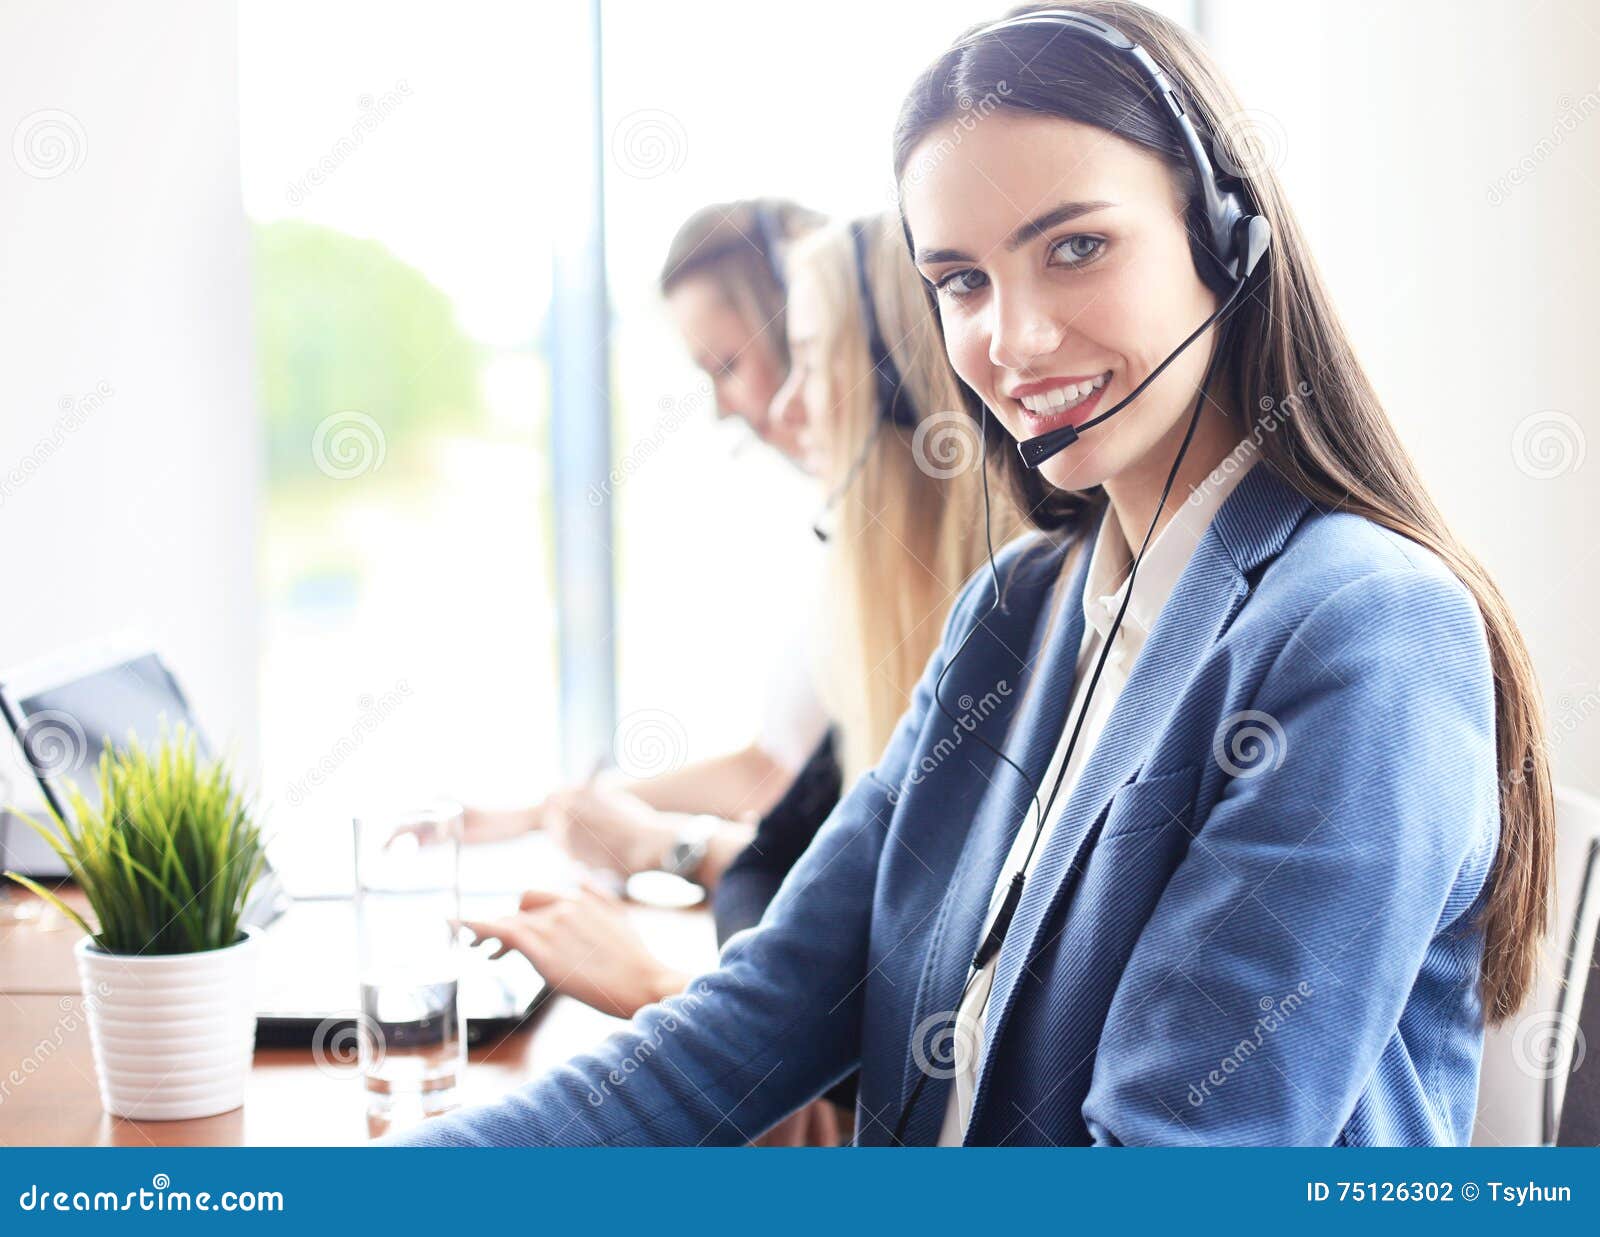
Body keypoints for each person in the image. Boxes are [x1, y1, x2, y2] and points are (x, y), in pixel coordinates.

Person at [392, 1, 1553, 1147]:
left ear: (1223, 236)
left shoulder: (1361, 630)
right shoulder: (1018, 610)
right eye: (960, 281)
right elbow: (750, 1027)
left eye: (1075, 248)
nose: (1015, 337)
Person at [457, 214, 1014, 1144]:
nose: (776, 406)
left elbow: (960, 1079)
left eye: (781, 359)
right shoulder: (929, 612)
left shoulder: (1008, 625)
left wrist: (661, 980)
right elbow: (799, 854)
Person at [459, 199, 829, 893]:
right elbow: (772, 767)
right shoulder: (837, 525)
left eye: (729, 364)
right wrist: (553, 813)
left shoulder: (904, 540)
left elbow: (831, 849)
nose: (726, 406)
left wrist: (661, 844)